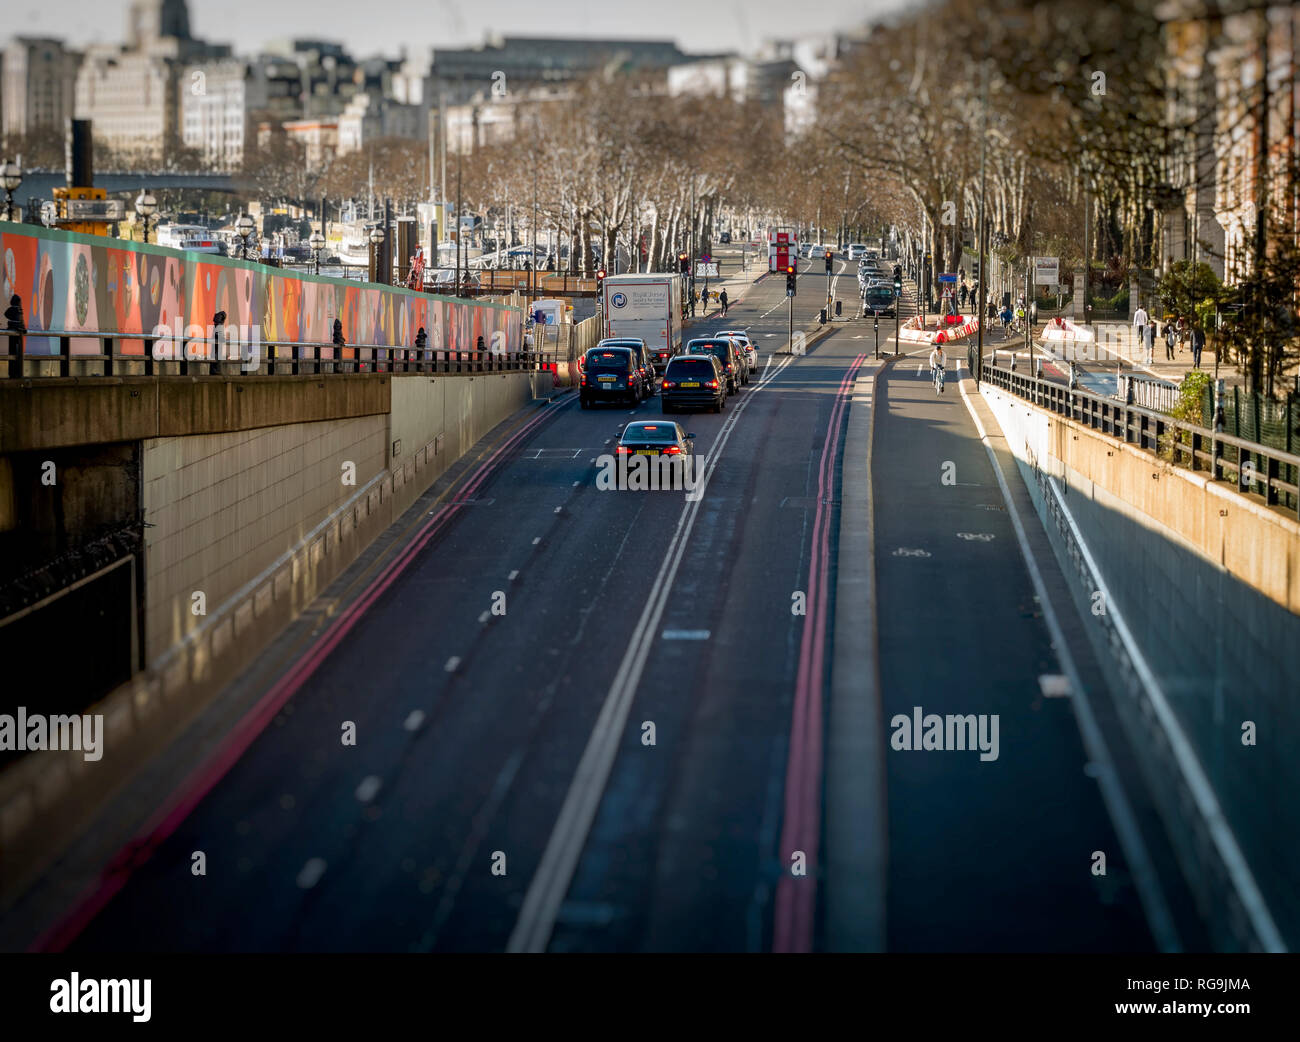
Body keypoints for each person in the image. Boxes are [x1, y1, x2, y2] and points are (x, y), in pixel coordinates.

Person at [5, 293, 26, 378]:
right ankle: (18, 372)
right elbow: (22, 321)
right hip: (19, 332)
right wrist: (23, 328)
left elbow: (6, 314)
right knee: (18, 352)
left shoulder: (10, 310)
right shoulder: (19, 310)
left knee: (12, 351)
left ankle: (12, 372)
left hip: (12, 331)